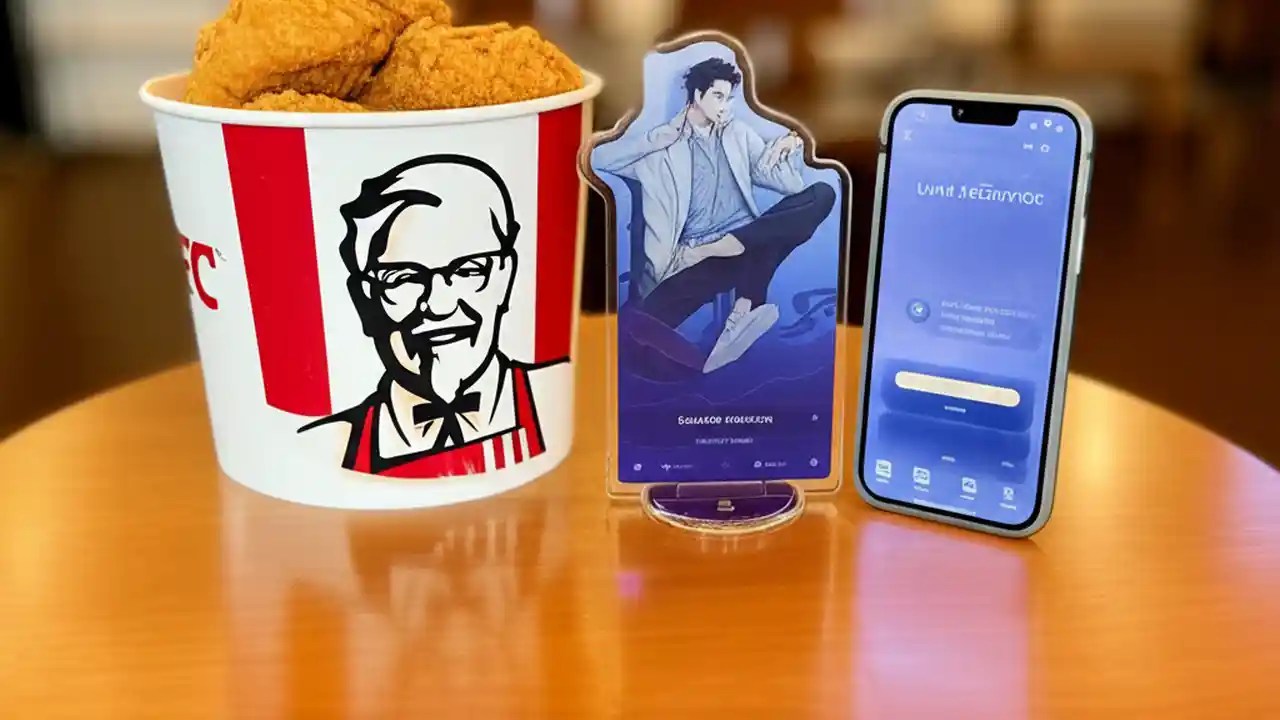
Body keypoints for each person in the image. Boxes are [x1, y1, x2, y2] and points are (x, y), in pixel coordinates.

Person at [302, 154, 547, 478]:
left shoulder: (553, 402)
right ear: (364, 299)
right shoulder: (323, 447)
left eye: (468, 270)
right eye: (403, 277)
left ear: (505, 278)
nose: (440, 305)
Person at [594, 57, 836, 373]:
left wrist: (790, 143)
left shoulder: (738, 134)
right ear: (697, 95)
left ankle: (739, 268)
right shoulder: (662, 149)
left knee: (822, 194)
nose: (725, 105)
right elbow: (599, 158)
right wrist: (661, 136)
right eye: (718, 96)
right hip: (696, 257)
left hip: (743, 241)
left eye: (729, 98)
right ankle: (746, 307)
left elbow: (792, 188)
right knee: (640, 331)